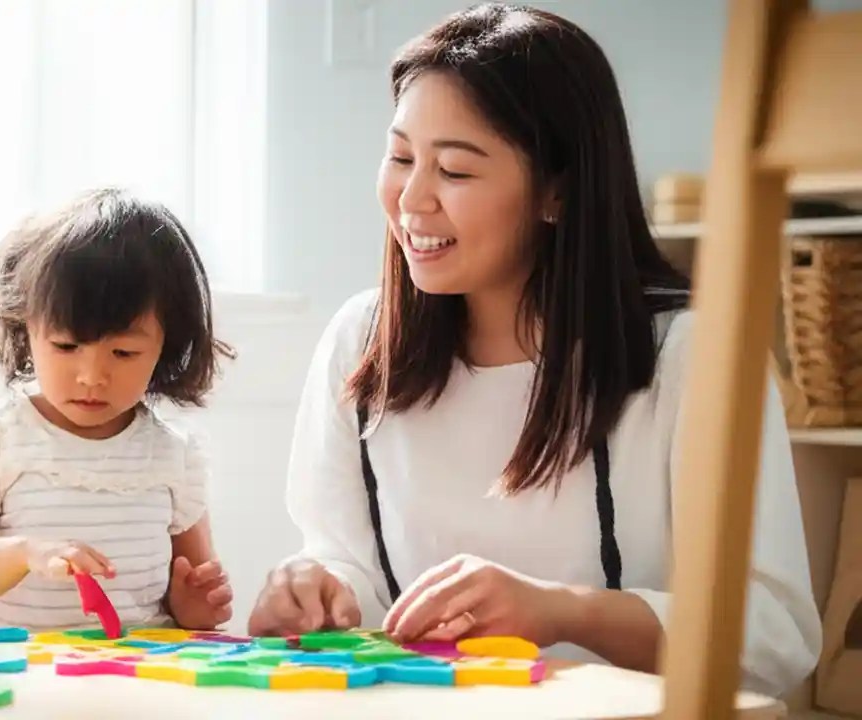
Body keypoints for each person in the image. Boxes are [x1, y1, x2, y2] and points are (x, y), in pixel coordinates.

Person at [247, 3, 821, 698]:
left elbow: (776, 639)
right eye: (401, 158)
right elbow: (350, 569)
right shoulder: (360, 344)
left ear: (557, 191)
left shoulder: (692, 357)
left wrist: (562, 609)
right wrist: (313, 591)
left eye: (455, 172)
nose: (412, 200)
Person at [0, 187, 234, 636]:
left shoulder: (174, 456)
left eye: (123, 353)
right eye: (66, 346)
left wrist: (194, 606)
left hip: (135, 682)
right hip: (21, 686)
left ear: (166, 348)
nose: (91, 376)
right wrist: (22, 554)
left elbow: (196, 606)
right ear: (26, 329)